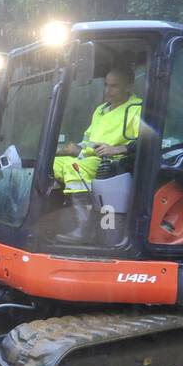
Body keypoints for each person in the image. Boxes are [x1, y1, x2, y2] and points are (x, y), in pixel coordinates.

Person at [51, 65, 142, 239]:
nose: (108, 90)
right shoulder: (100, 110)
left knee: (74, 168)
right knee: (49, 165)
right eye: (106, 85)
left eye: (114, 86)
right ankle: (49, 219)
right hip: (89, 157)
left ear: (129, 86)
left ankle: (83, 229)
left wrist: (117, 148)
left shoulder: (136, 109)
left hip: (112, 162)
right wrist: (73, 149)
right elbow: (88, 140)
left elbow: (147, 141)